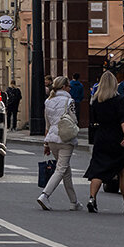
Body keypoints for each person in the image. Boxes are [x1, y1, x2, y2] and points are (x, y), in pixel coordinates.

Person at [83, 70, 124, 214]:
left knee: (98, 170)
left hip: (101, 137)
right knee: (123, 171)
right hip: (117, 138)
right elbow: (123, 119)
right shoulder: (119, 100)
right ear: (114, 84)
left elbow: (94, 120)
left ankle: (91, 199)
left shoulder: (96, 101)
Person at [37, 76, 82, 211]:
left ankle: (74, 202)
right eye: (69, 86)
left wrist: (46, 144)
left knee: (65, 170)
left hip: (52, 139)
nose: (70, 88)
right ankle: (45, 195)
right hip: (65, 138)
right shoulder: (69, 101)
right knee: (61, 169)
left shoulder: (48, 101)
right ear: (64, 87)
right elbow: (74, 119)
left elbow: (47, 124)